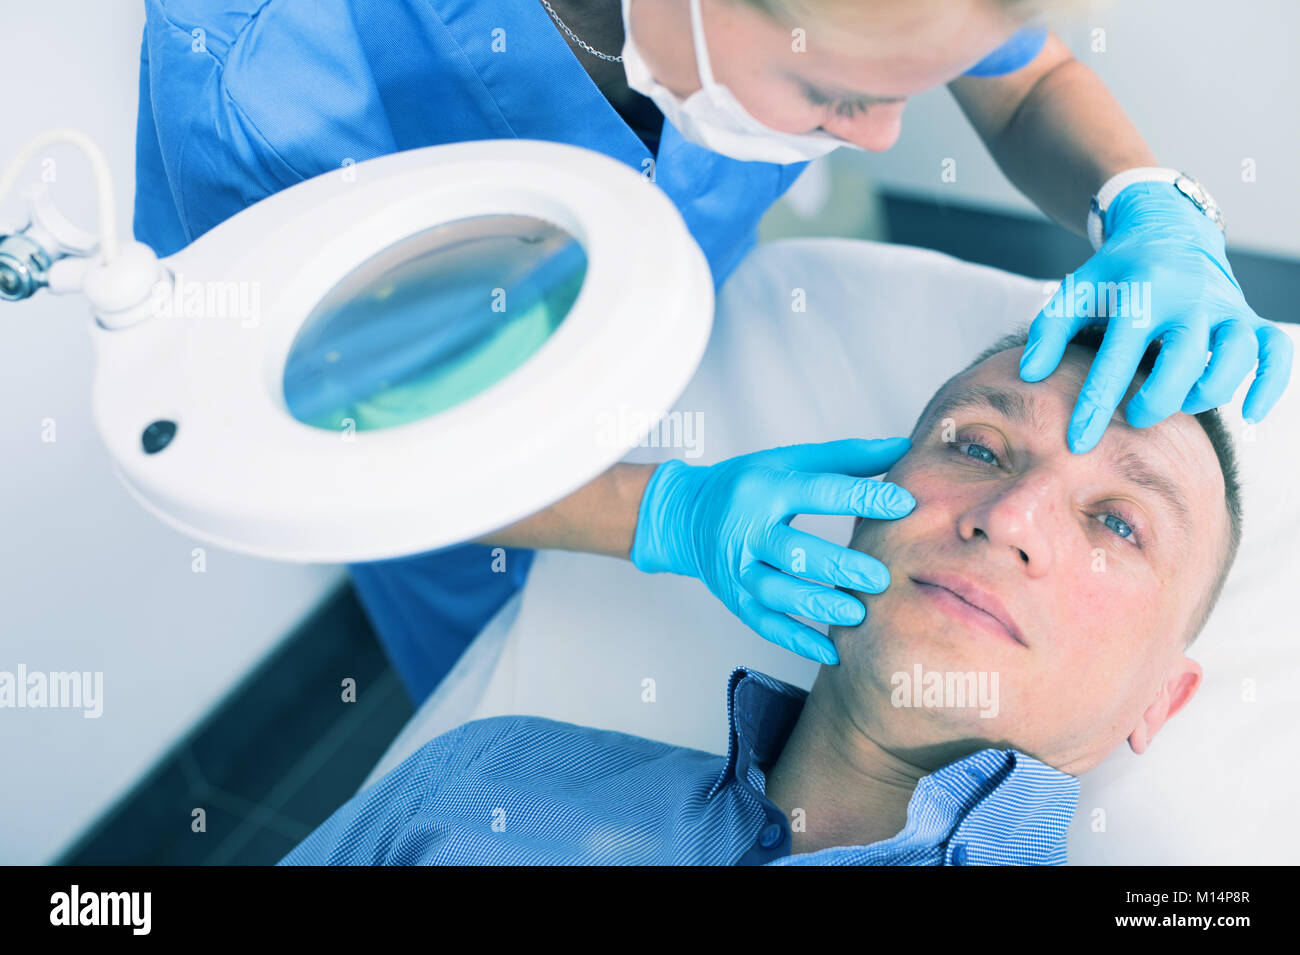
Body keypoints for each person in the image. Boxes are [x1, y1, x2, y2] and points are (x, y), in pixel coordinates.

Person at [133, 0, 1284, 703]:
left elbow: (1022, 77)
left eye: (1117, 521)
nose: (884, 134)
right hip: (406, 449)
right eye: (834, 89)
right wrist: (659, 515)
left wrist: (1146, 203)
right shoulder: (273, 69)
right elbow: (312, 444)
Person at [278, 324, 1240, 864]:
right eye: (978, 446)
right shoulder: (487, 782)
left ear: (1163, 697)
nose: (1013, 515)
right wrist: (660, 507)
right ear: (861, 512)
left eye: (1118, 521)